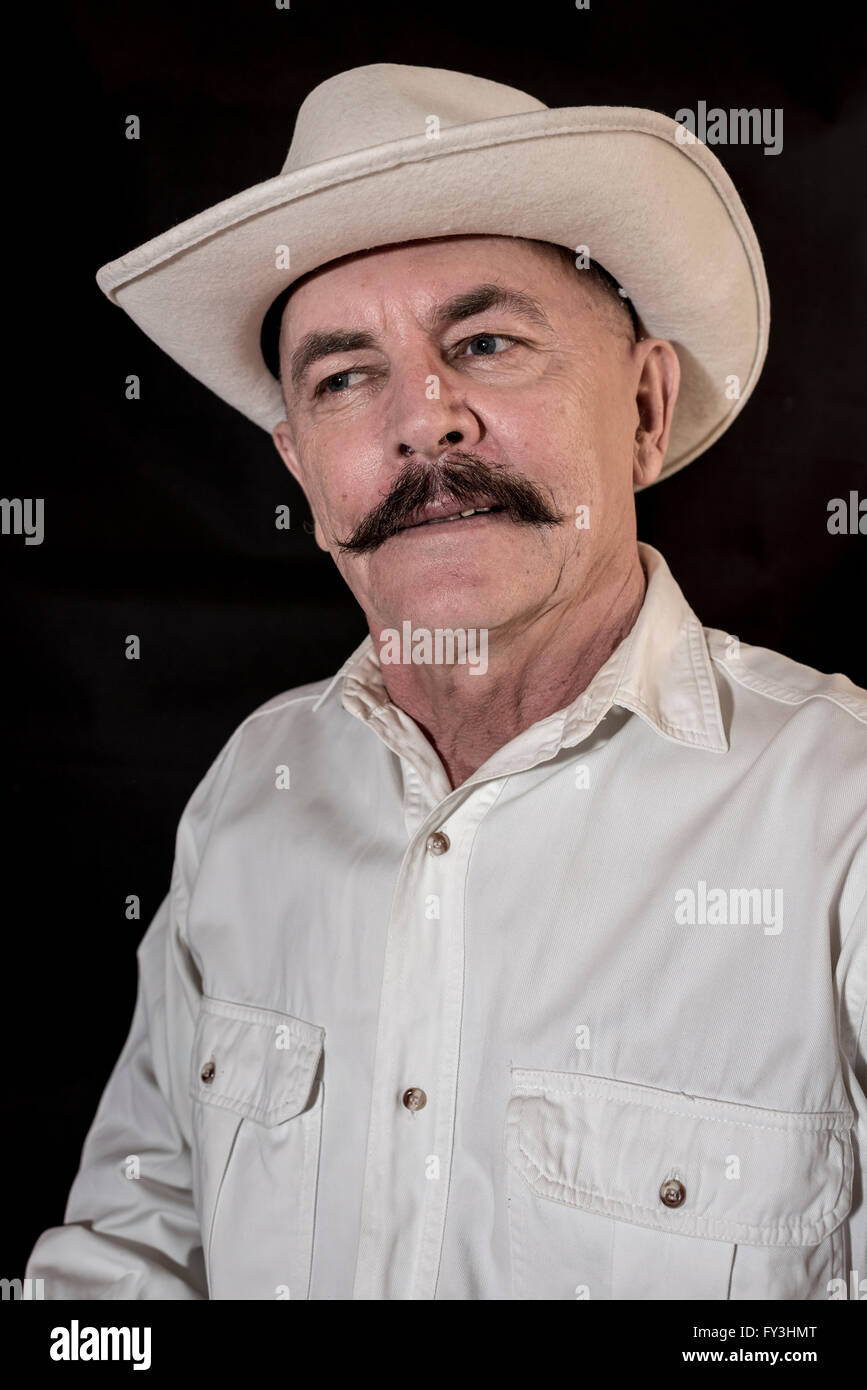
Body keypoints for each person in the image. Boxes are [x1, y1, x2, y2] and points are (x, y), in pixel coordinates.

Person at [27, 63, 865, 1300]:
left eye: (485, 342)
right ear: (304, 473)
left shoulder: (842, 814)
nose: (425, 421)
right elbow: (129, 1261)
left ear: (645, 408)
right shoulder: (252, 793)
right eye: (345, 376)